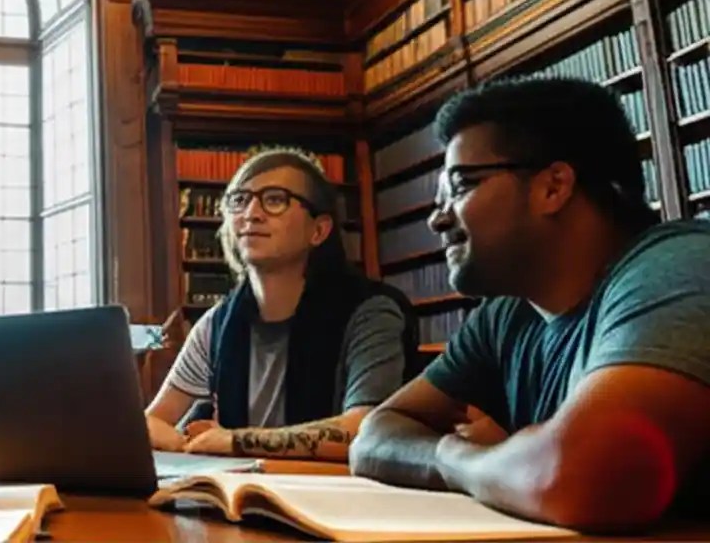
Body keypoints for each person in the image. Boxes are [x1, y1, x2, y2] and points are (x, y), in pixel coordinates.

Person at [350, 77, 710, 531]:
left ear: (553, 187)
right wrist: (474, 460)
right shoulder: (508, 314)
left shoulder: (680, 267)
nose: (437, 218)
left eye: (460, 187)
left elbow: (578, 476)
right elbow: (376, 434)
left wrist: (466, 462)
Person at [146, 148, 415, 460]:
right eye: (239, 200)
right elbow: (152, 419)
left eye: (274, 199)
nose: (251, 213)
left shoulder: (370, 312)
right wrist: (179, 442)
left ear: (319, 230)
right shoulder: (217, 323)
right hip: (239, 496)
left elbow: (366, 429)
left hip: (336, 498)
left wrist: (233, 441)